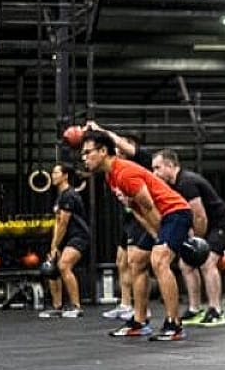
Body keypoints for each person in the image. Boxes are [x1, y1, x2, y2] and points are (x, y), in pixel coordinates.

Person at [80, 130, 192, 342]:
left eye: (88, 152)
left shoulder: (124, 173)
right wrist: (155, 235)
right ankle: (139, 322)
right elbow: (137, 210)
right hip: (157, 216)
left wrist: (162, 238)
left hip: (174, 212)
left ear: (103, 151)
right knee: (136, 260)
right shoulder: (111, 177)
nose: (84, 158)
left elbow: (150, 208)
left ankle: (174, 324)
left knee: (159, 260)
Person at [152, 149, 225, 328]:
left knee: (207, 262)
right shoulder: (173, 185)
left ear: (170, 165)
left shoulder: (186, 182)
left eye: (158, 168)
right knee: (186, 264)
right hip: (205, 225)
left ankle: (216, 310)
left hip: (221, 224)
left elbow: (200, 216)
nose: (155, 173)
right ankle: (195, 309)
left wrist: (198, 243)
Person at [86, 122, 151, 321]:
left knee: (136, 264)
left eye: (126, 144)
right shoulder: (114, 167)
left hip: (143, 218)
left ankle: (142, 310)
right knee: (121, 261)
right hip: (128, 218)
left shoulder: (142, 158)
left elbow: (122, 145)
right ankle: (125, 304)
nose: (121, 148)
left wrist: (100, 130)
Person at [38, 163, 91, 319]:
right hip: (65, 238)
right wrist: (54, 245)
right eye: (52, 173)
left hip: (78, 236)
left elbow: (64, 222)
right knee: (52, 269)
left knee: (64, 265)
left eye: (56, 173)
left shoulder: (69, 195)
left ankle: (76, 306)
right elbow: (57, 221)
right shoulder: (60, 196)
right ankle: (58, 306)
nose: (53, 176)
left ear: (65, 176)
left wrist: (55, 245)